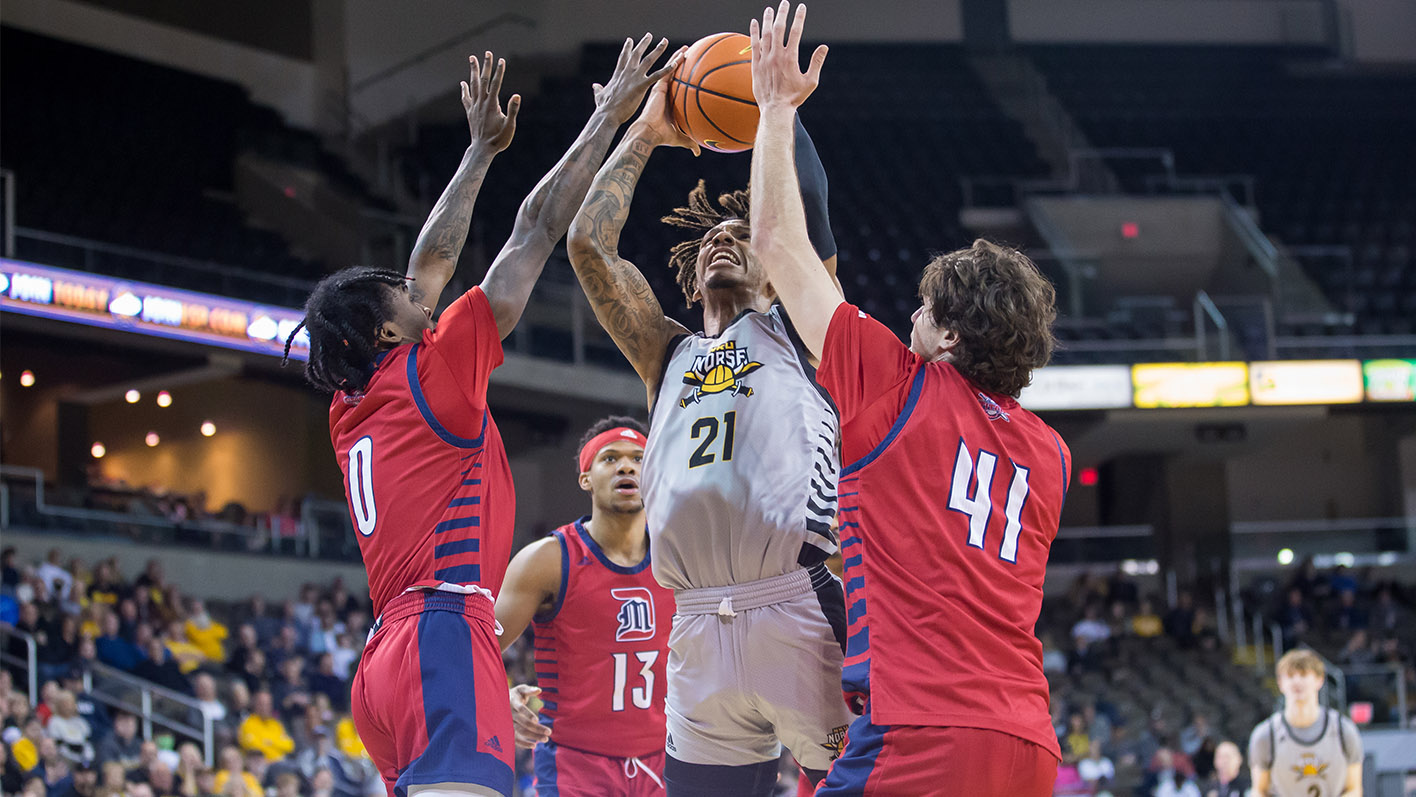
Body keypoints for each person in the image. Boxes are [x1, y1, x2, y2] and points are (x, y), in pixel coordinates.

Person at [288, 39, 679, 797]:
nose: (410, 285)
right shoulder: (435, 374)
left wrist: (477, 154)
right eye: (393, 292)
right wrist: (606, 117)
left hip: (384, 659)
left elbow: (430, 262)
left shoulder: (351, 404)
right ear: (385, 332)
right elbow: (534, 229)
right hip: (442, 631)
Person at [746, 5, 1068, 794]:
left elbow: (775, 247)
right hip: (1028, 741)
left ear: (951, 339)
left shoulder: (895, 386)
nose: (911, 316)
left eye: (925, 310)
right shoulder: (1052, 454)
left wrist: (775, 109)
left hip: (924, 731)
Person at [566, 21, 854, 797]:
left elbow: (809, 220)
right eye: (709, 242)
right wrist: (648, 130)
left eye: (741, 236)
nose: (722, 243)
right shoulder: (669, 356)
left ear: (771, 265)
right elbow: (589, 247)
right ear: (691, 278)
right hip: (692, 619)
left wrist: (777, 112)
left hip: (797, 602)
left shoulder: (800, 327)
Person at [494, 417, 673, 795]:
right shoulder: (545, 560)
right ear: (585, 478)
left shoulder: (682, 558)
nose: (627, 466)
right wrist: (498, 696)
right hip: (575, 763)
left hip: (666, 758)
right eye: (610, 458)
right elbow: (478, 652)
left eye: (639, 458)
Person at [1249, 649, 1363, 797]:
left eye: (1303, 675)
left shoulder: (1344, 730)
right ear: (1280, 683)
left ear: (1319, 680)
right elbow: (1259, 790)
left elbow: (1354, 789)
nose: (1296, 681)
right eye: (1290, 676)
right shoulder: (1265, 735)